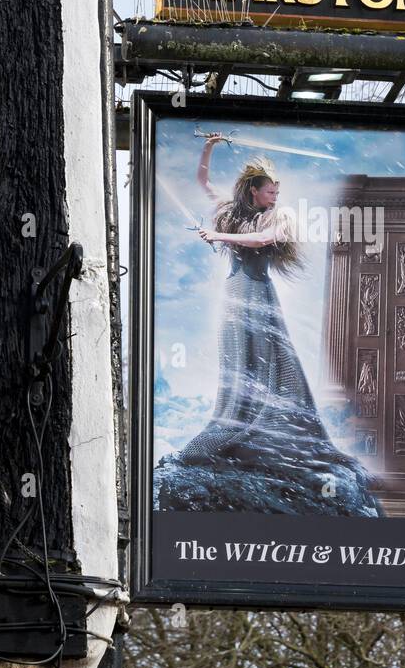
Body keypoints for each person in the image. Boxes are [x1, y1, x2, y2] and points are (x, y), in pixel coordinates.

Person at [154, 131, 383, 517]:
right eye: (270, 191)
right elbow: (203, 182)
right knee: (238, 362)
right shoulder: (235, 211)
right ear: (254, 191)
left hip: (258, 293)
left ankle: (265, 430)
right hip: (235, 293)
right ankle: (237, 420)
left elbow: (262, 240)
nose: (275, 195)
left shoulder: (279, 218)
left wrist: (218, 235)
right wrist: (208, 146)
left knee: (272, 362)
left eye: (277, 191)